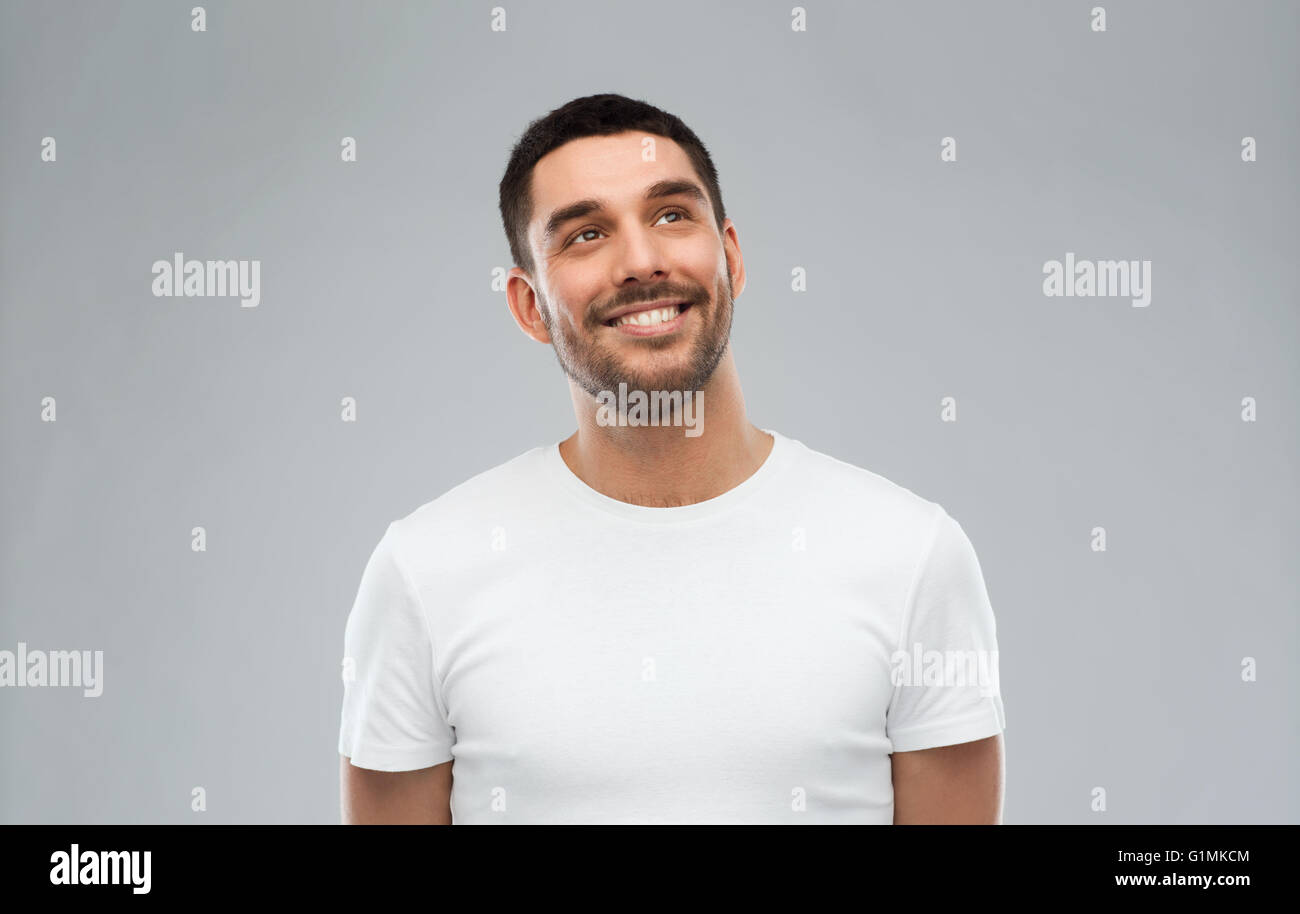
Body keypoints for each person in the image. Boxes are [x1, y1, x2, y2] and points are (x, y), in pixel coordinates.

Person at [339, 93, 1006, 824]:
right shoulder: (424, 571)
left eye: (670, 215)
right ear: (529, 306)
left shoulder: (911, 555)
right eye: (587, 234)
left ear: (733, 257)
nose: (642, 261)